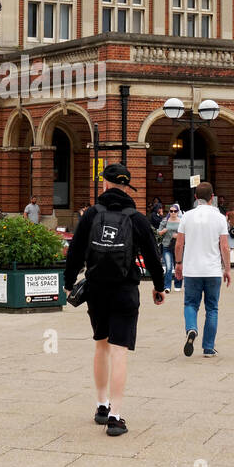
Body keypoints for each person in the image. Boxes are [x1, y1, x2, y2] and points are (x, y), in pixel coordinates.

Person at [63, 163, 165, 437]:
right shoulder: (137, 218)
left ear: (105, 184)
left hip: (96, 289)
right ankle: (115, 417)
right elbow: (153, 257)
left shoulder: (91, 214)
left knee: (101, 345)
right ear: (126, 187)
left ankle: (101, 405)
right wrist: (159, 287)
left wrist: (68, 283)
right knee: (120, 350)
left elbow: (75, 251)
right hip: (125, 290)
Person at [174, 181, 230, 358]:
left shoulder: (187, 216)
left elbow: (179, 244)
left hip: (192, 270)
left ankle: (191, 329)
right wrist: (227, 269)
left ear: (196, 197)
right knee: (212, 309)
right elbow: (224, 246)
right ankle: (208, 347)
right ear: (212, 197)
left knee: (191, 304)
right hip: (212, 270)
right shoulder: (220, 218)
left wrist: (178, 263)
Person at [160, 203, 181, 291]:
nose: (173, 213)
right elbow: (158, 232)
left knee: (178, 266)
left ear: (178, 212)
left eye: (175, 211)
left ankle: (178, 284)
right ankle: (167, 286)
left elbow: (186, 234)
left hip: (178, 247)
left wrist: (178, 236)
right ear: (169, 212)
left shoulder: (181, 221)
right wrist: (163, 231)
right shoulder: (165, 221)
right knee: (168, 267)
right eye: (171, 211)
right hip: (167, 246)